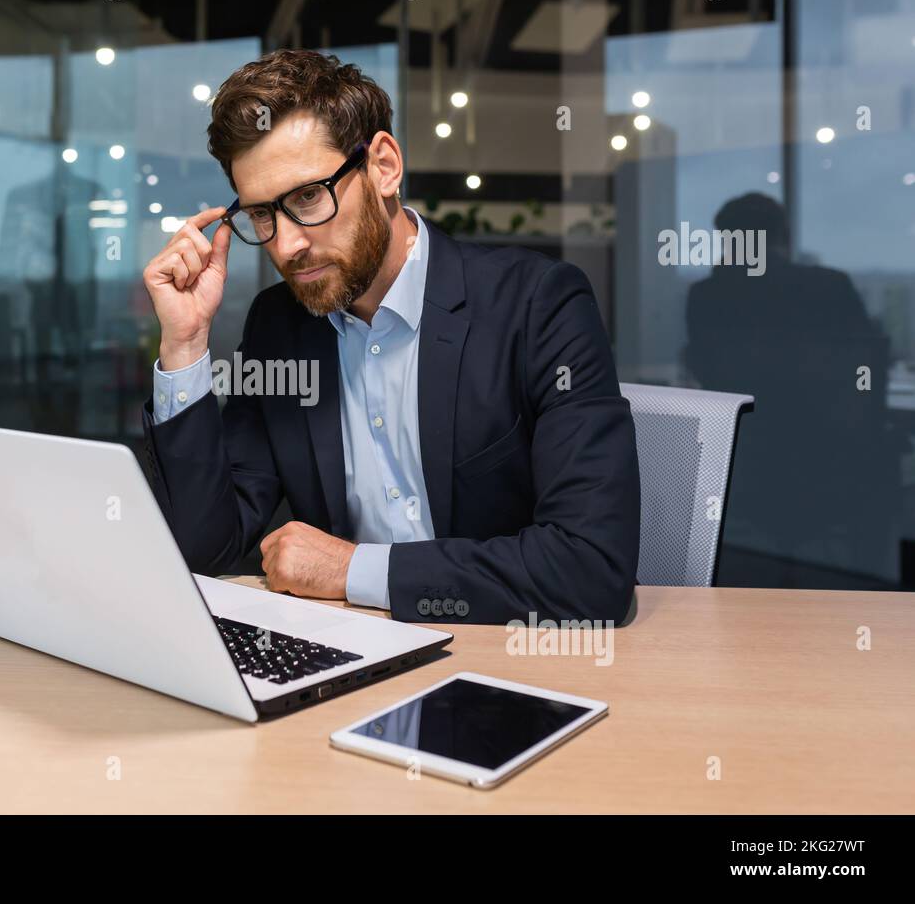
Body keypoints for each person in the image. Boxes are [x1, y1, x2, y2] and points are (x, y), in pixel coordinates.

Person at [141, 50, 639, 624]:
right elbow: (209, 550)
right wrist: (184, 346)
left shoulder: (539, 306)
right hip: (356, 656)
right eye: (260, 215)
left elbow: (591, 571)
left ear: (383, 165)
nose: (284, 246)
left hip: (508, 658)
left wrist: (351, 570)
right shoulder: (280, 328)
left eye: (307, 198)